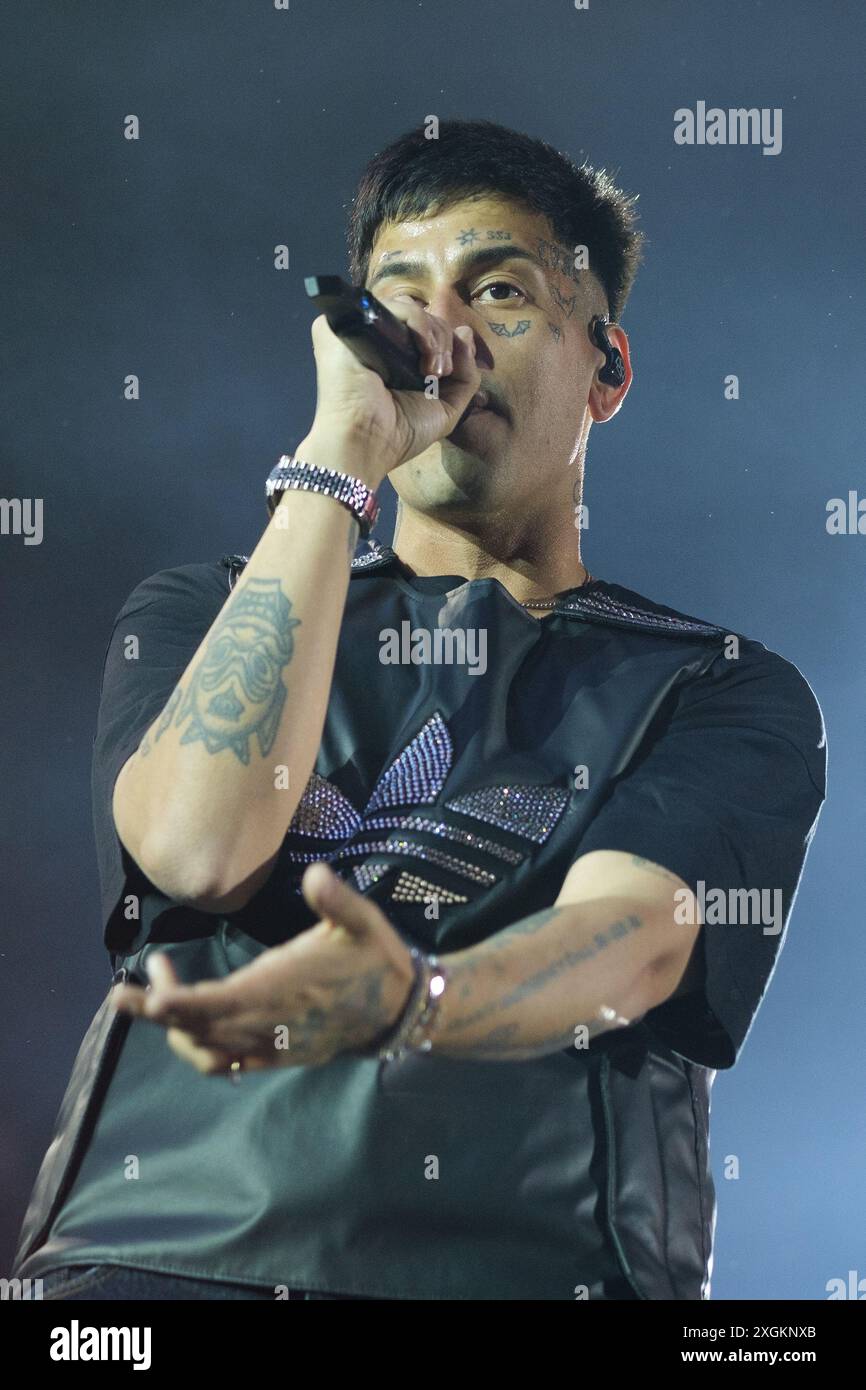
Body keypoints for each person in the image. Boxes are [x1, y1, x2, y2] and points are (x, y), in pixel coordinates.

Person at [12, 119, 826, 1301]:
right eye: (402, 296)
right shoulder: (204, 611)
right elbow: (197, 850)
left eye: (498, 291)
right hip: (154, 1268)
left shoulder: (714, 684)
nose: (440, 334)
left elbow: (631, 940)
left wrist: (414, 1000)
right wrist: (340, 448)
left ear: (605, 368)